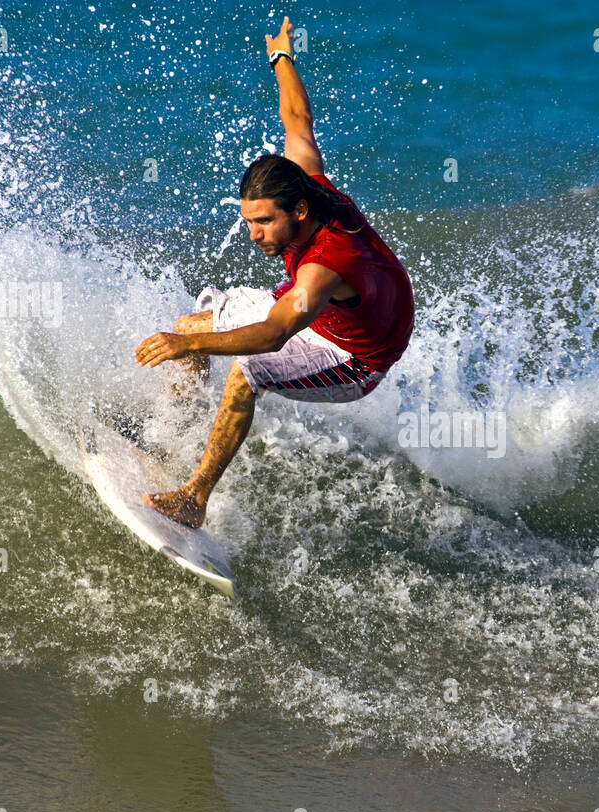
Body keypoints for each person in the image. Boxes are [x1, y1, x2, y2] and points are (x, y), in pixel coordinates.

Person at [133, 16, 415, 528]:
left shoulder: (328, 262)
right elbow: (296, 120)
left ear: (299, 213)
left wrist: (189, 349)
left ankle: (194, 499)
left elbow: (274, 334)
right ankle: (170, 431)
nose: (255, 234)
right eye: (248, 221)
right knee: (188, 327)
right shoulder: (305, 182)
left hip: (355, 356)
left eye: (265, 222)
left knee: (246, 369)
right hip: (328, 314)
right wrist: (281, 57)